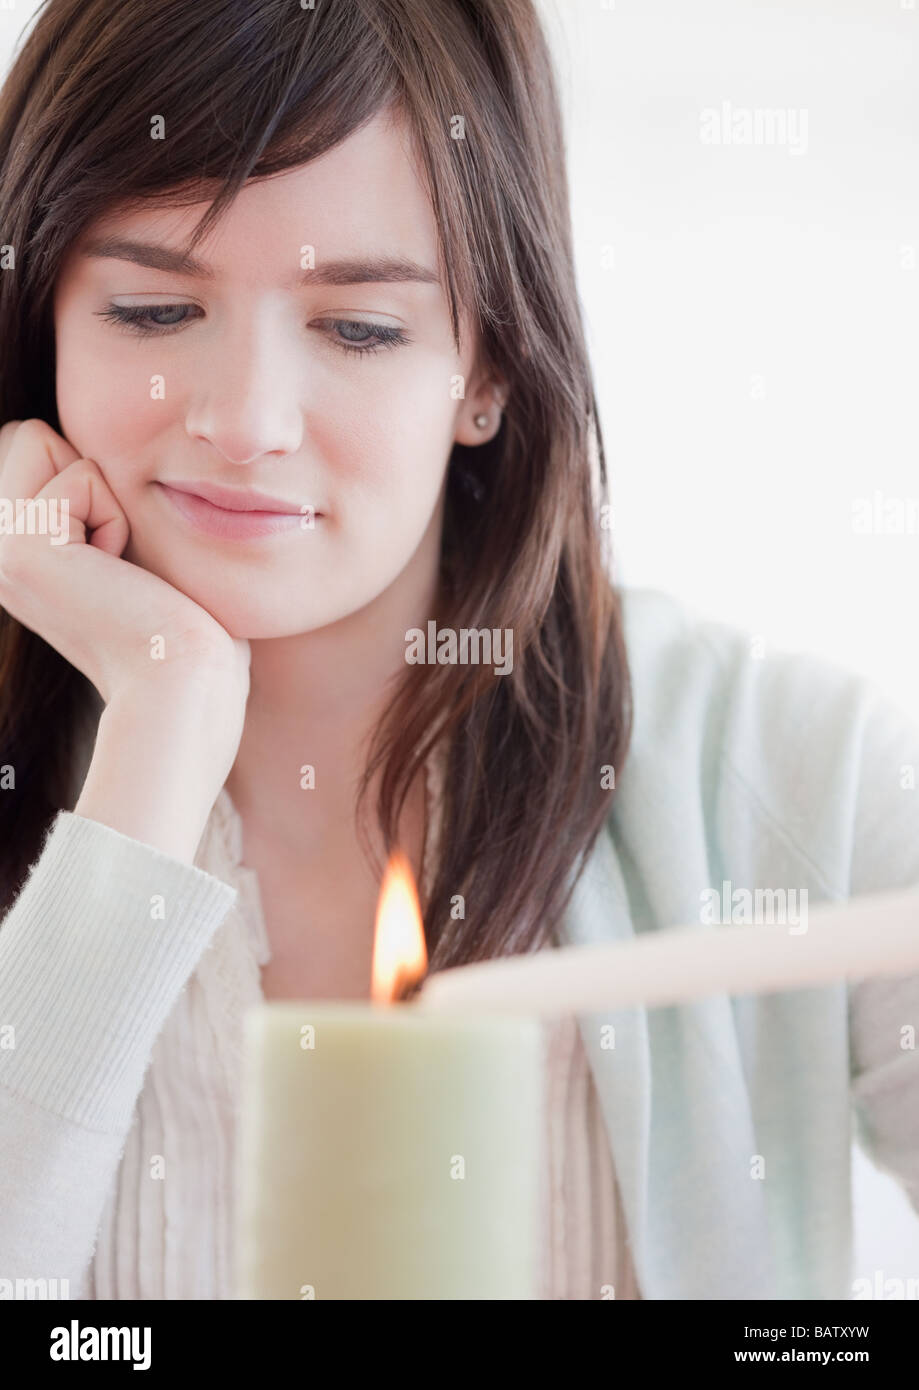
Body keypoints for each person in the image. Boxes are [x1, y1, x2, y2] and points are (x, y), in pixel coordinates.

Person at [0, 0, 916, 1302]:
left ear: (485, 364)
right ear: (39, 321)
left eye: (357, 328)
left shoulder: (790, 777)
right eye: (153, 311)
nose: (247, 421)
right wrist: (158, 728)